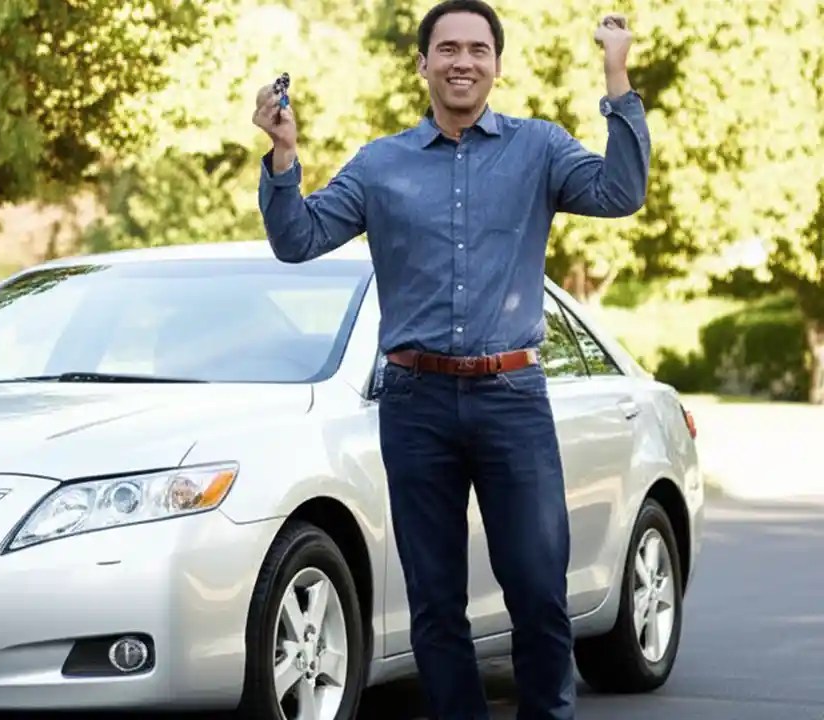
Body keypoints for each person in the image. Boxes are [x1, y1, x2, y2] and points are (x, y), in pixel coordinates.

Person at [251, 1, 649, 719]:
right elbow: (298, 239)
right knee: (434, 601)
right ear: (423, 64)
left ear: (496, 63)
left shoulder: (539, 150)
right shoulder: (380, 164)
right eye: (447, 48)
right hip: (415, 404)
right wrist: (283, 157)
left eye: (477, 48)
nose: (462, 60)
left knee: (536, 589)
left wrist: (616, 80)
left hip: (512, 399)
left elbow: (621, 193)